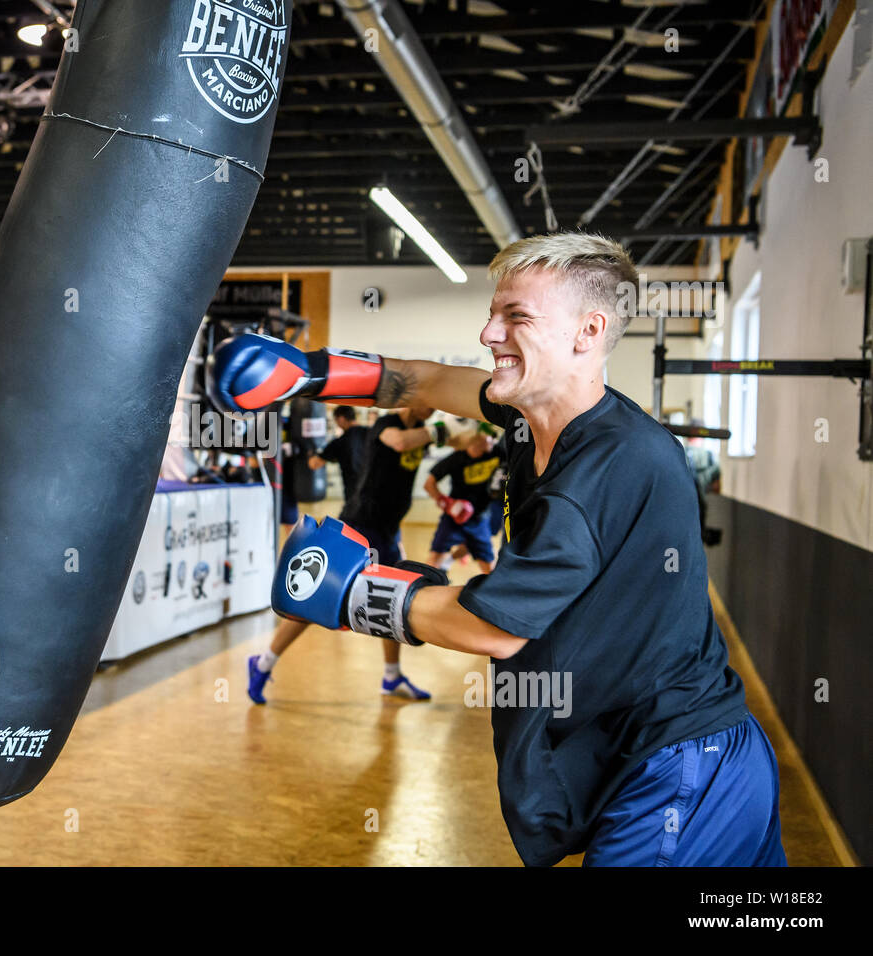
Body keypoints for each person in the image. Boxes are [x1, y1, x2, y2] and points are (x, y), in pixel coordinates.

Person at [209, 232, 786, 867]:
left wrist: (354, 594)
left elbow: (494, 628)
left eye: (516, 317)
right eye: (493, 313)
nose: (489, 333)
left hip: (681, 777)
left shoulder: (608, 467)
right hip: (665, 756)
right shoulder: (529, 419)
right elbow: (424, 381)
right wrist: (309, 371)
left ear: (586, 332)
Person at [244, 401, 453, 704]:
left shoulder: (418, 431)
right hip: (359, 526)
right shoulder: (385, 426)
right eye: (429, 404)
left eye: (435, 410)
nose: (430, 411)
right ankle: (262, 664)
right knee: (314, 599)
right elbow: (400, 441)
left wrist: (471, 430)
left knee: (393, 604)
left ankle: (392, 676)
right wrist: (442, 429)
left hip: (387, 529)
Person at [423, 424, 504, 575]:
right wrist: (445, 503)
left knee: (489, 569)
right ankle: (421, 589)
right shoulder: (457, 458)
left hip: (480, 519)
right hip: (454, 518)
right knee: (434, 559)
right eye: (490, 437)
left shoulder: (498, 453)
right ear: (477, 438)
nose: (494, 441)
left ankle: (490, 596)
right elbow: (429, 483)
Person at [307, 405, 370, 505]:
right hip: (374, 489)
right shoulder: (370, 432)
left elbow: (314, 464)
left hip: (354, 493)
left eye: (336, 420)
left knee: (352, 519)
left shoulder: (339, 442)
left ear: (341, 418)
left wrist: (309, 452)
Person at [684, 421, 723, 546]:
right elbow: (716, 488)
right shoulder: (710, 457)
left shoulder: (678, 453)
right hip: (700, 510)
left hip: (679, 511)